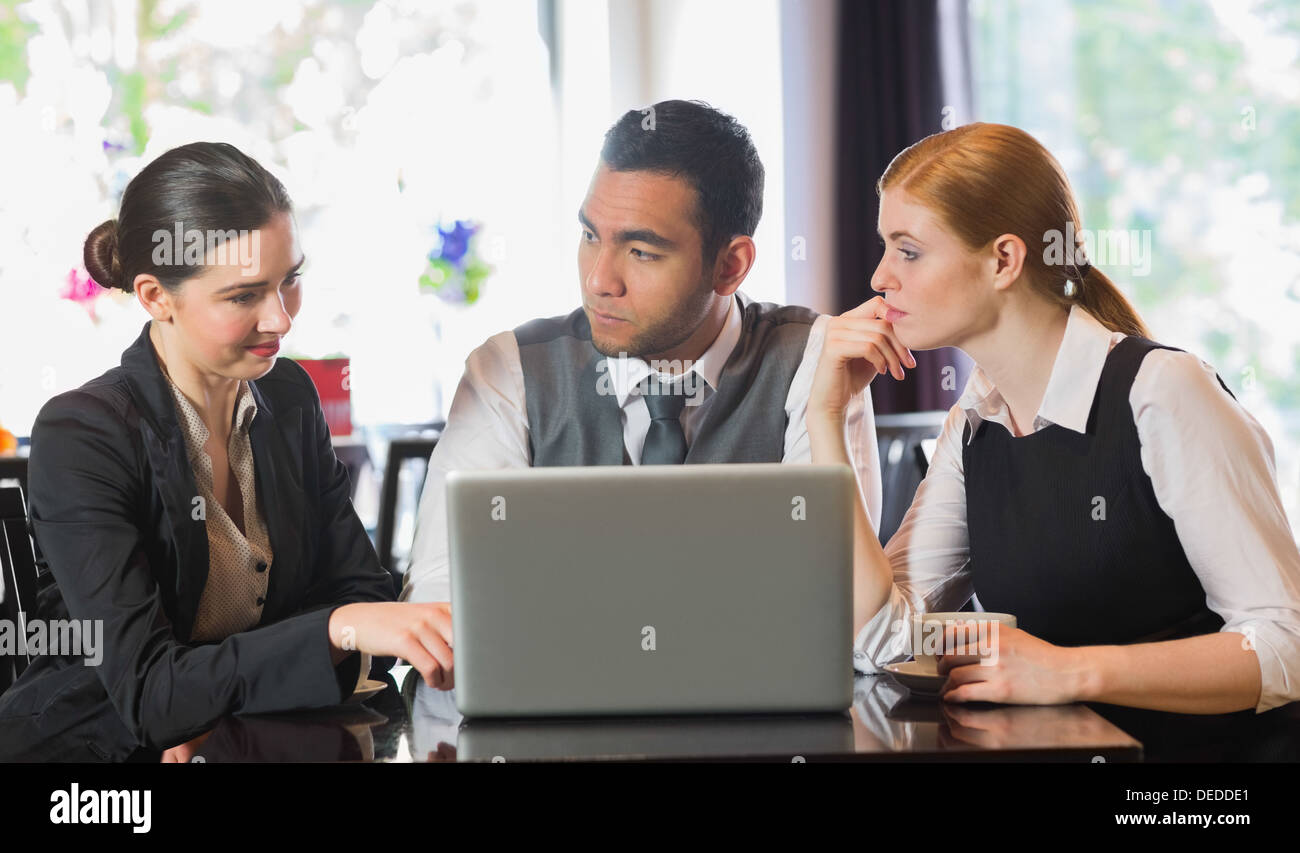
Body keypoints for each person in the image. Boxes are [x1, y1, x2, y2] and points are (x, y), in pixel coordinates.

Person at [808, 122, 1300, 714]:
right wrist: (825, 415)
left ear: (1004, 261)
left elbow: (1284, 646)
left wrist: (1072, 671)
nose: (879, 278)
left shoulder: (1163, 392)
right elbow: (883, 640)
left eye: (908, 250)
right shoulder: (973, 423)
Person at [0, 142, 455, 762]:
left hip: (250, 743)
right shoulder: (84, 434)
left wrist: (213, 696)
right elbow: (150, 697)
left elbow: (363, 593)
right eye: (244, 296)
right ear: (157, 296)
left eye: (289, 280)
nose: (282, 319)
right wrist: (331, 631)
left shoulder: (287, 395)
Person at [401, 100, 883, 625]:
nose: (599, 281)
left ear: (730, 265)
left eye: (641, 252)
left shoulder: (815, 362)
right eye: (590, 237)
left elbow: (837, 605)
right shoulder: (509, 370)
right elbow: (441, 599)